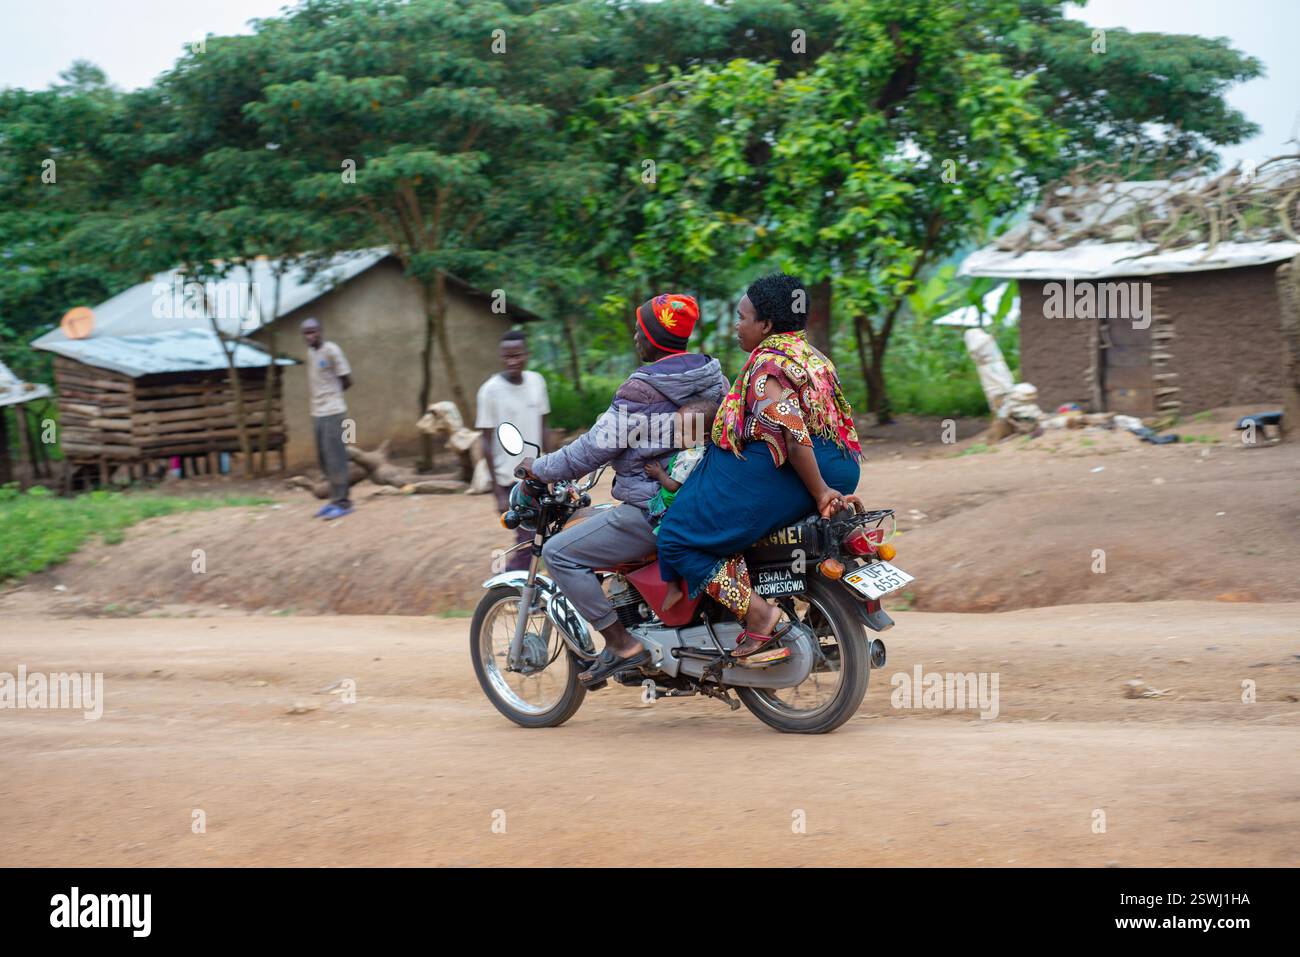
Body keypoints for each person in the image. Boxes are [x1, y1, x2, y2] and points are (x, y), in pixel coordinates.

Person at [518, 293, 727, 687]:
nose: (635, 337)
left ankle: (622, 645)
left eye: (639, 329)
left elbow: (593, 449)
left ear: (654, 337)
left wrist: (540, 468)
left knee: (558, 552)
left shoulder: (640, 391)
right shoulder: (713, 376)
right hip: (705, 499)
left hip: (653, 507)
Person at [657, 273, 863, 665]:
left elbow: (790, 428)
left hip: (804, 469)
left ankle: (759, 614)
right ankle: (816, 609)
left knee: (677, 536)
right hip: (842, 465)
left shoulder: (767, 365)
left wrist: (819, 491)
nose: (737, 325)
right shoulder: (810, 355)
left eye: (742, 317)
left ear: (765, 325)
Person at [475, 329, 551, 572]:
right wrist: (496, 490)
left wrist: (553, 467)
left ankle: (536, 593)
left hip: (539, 474)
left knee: (549, 535)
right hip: (511, 482)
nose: (512, 361)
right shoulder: (489, 391)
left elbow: (544, 426)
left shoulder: (537, 382)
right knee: (528, 540)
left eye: (517, 355)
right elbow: (485, 441)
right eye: (506, 357)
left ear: (527, 355)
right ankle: (511, 592)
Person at [643, 398, 718, 611]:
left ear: (702, 437)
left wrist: (658, 474)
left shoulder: (690, 456)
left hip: (680, 507)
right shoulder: (707, 451)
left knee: (664, 541)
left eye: (682, 433)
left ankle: (672, 586)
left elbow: (673, 485)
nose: (676, 436)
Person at [301, 317, 354, 520]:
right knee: (324, 459)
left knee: (336, 458)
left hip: (333, 411)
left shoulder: (332, 350)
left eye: (313, 331)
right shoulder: (310, 353)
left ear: (321, 330)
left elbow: (348, 380)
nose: (310, 336)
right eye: (306, 333)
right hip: (317, 412)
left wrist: (333, 397)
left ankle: (344, 502)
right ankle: (333, 500)